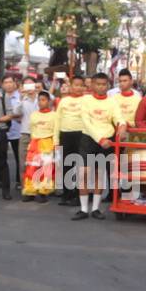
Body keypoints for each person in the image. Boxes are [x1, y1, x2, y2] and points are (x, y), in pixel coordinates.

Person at [73, 73, 125, 220]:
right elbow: (86, 123)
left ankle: (95, 208)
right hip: (88, 139)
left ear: (107, 85)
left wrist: (121, 126)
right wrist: (100, 139)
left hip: (107, 140)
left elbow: (119, 117)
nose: (101, 87)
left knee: (99, 174)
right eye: (98, 84)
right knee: (83, 173)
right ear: (92, 85)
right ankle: (83, 209)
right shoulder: (85, 100)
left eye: (104, 84)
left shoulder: (112, 102)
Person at [55, 75, 88, 205]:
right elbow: (57, 120)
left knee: (79, 166)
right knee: (65, 165)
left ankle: (77, 195)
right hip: (65, 134)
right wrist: (55, 140)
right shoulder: (64, 101)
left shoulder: (87, 100)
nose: (78, 88)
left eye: (81, 85)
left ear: (84, 87)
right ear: (71, 86)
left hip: (82, 135)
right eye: (76, 85)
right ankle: (66, 194)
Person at [22, 91, 59, 202]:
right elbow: (32, 129)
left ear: (49, 101)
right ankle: (30, 191)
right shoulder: (34, 115)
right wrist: (32, 143)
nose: (41, 102)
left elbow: (56, 131)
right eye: (39, 100)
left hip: (47, 143)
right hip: (35, 143)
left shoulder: (54, 115)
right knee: (32, 168)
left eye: (43, 100)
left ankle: (43, 192)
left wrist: (55, 145)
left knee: (45, 169)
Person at [2, 74, 23, 190]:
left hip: (17, 131)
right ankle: (2, 181)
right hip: (3, 131)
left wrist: (10, 116)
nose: (8, 85)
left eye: (10, 82)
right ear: (2, 85)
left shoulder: (20, 97)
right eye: (6, 82)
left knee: (19, 158)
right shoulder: (0, 97)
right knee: (1, 157)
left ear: (15, 84)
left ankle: (19, 181)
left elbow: (22, 114)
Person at [16, 76, 38, 189]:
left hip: (40, 136)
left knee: (39, 164)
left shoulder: (42, 97)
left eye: (31, 84)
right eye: (26, 85)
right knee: (23, 164)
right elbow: (16, 112)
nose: (29, 87)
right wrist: (21, 97)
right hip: (25, 134)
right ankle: (26, 190)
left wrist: (40, 90)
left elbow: (51, 100)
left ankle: (39, 190)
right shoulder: (22, 100)